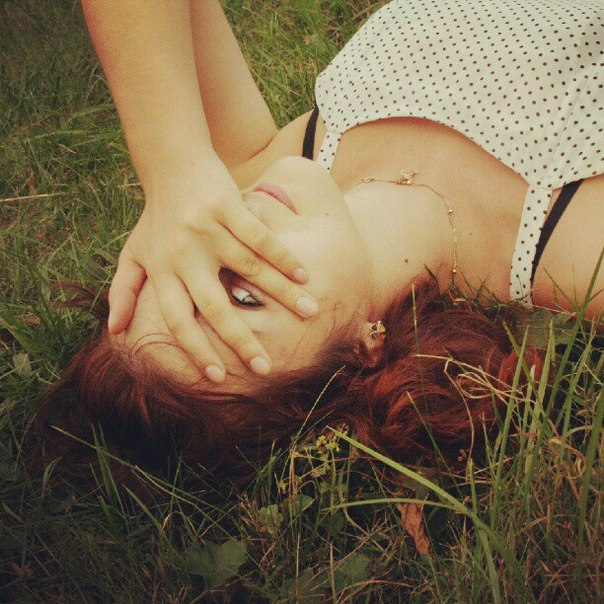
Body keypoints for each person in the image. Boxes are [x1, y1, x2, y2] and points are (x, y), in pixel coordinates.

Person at [38, 0, 603, 484]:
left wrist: (172, 169)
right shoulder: (577, 253)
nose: (233, 233)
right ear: (362, 351)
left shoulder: (255, 166)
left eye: (183, 255)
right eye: (245, 296)